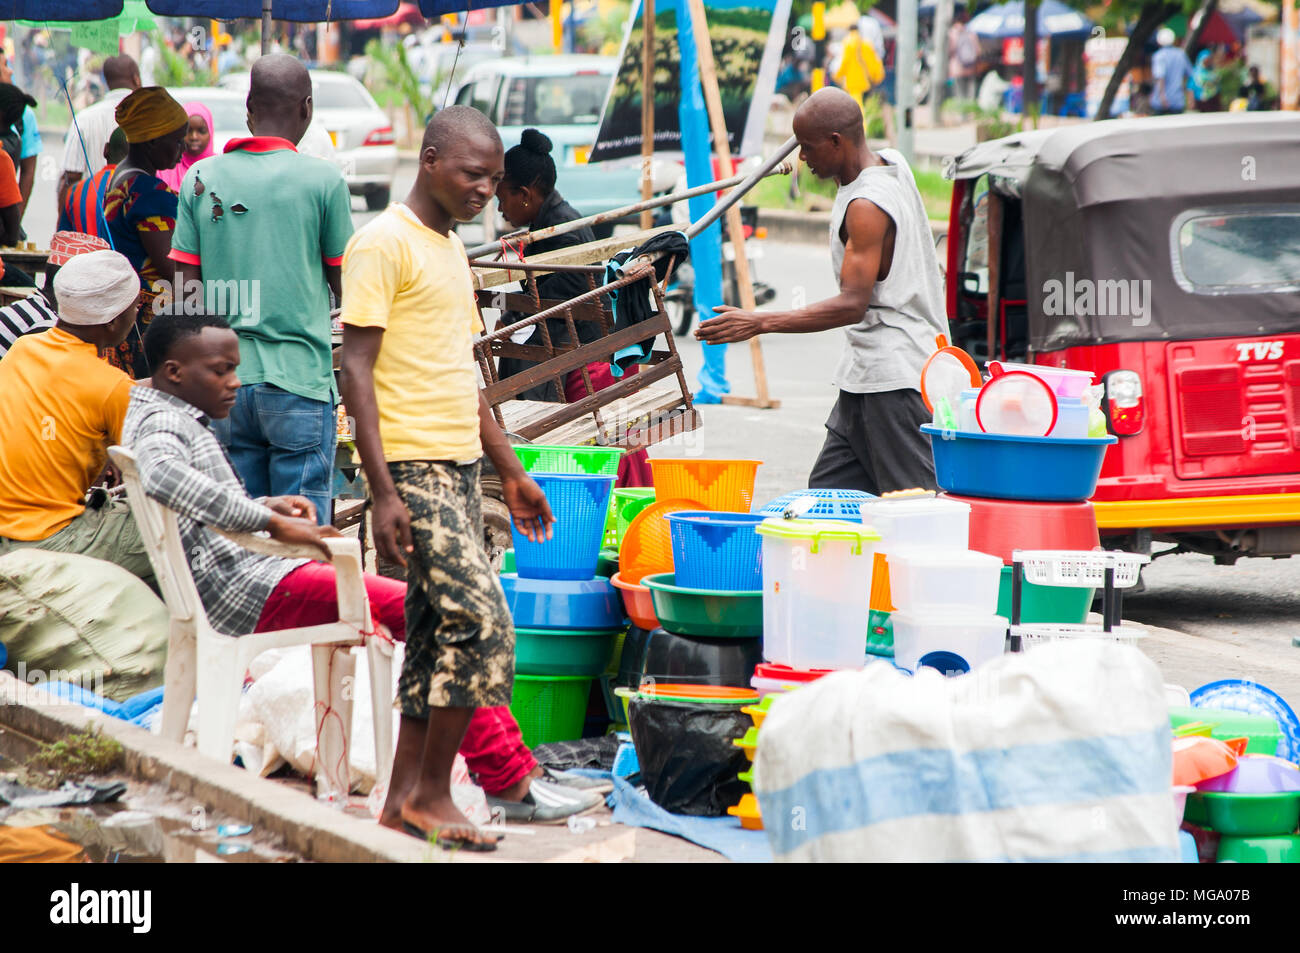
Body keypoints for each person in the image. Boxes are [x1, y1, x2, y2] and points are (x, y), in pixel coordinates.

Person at [124, 312, 600, 822]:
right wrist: (269, 521)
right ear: (174, 372)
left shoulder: (166, 411)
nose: (235, 382)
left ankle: (517, 770)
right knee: (444, 621)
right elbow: (163, 476)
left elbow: (196, 497)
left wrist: (269, 507)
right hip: (251, 590)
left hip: (250, 580)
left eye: (234, 369)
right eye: (220, 370)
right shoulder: (160, 423)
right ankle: (508, 777)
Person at [339, 106, 557, 849]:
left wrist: (511, 470)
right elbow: (355, 368)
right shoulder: (382, 243)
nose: (486, 191)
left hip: (460, 464)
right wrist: (384, 489)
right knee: (483, 622)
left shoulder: (450, 249)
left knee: (435, 632)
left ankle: (403, 797)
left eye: (495, 180)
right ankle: (435, 793)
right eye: (473, 174)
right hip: (411, 465)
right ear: (429, 160)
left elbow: (461, 374)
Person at [697, 87, 947, 495]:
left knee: (915, 503)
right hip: (862, 377)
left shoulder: (867, 205)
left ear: (836, 142)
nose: (801, 159)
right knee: (827, 495)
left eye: (808, 148)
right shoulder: (893, 164)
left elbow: (851, 305)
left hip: (894, 379)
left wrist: (758, 321)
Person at [170, 55, 352, 527]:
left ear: (248, 108)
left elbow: (185, 294)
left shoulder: (200, 178)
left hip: (220, 387)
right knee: (303, 535)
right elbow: (346, 288)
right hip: (300, 383)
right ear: (306, 109)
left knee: (238, 533)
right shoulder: (324, 180)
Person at [494, 128, 652, 487]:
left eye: (502, 198)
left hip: (589, 366)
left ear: (525, 194)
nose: (500, 208)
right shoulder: (547, 225)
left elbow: (551, 319)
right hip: (586, 358)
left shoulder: (561, 234)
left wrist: (511, 383)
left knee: (604, 457)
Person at [0, 250, 153, 587]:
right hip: (49, 541)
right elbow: (160, 472)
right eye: (135, 305)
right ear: (113, 321)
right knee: (186, 527)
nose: (138, 311)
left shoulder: (24, 350)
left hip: (4, 534)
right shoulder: (113, 386)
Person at [103, 87, 188, 378]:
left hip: (123, 306)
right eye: (177, 141)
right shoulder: (151, 193)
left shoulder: (119, 177)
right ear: (153, 142)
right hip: (148, 315)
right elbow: (170, 267)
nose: (183, 149)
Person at [58, 54, 142, 216]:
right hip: (138, 217)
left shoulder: (84, 119)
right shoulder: (149, 117)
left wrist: (62, 228)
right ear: (136, 79)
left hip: (91, 216)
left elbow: (70, 177)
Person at [57, 127, 128, 241]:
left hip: (84, 258)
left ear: (105, 150)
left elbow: (63, 241)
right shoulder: (139, 190)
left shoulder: (76, 191)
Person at [0, 57, 40, 227]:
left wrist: (15, 224)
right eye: (4, 66)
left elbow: (28, 171)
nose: (10, 71)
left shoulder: (25, 116)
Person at [157, 102, 214, 193]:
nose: (194, 137)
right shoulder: (164, 168)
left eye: (201, 131)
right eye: (188, 131)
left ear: (210, 132)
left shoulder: (220, 169)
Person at [833, 27, 885, 111]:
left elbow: (845, 62)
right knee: (865, 107)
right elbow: (873, 61)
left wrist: (838, 75)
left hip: (853, 82)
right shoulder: (866, 43)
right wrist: (876, 76)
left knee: (856, 108)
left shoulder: (848, 43)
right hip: (866, 80)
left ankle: (862, 124)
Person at [1151, 28, 1192, 115]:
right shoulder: (1181, 54)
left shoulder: (1159, 56)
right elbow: (1189, 75)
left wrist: (1162, 97)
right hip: (1178, 100)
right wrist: (1188, 97)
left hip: (1161, 102)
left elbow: (1160, 77)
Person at [949, 11, 979, 102]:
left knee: (959, 96)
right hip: (971, 68)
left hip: (957, 68)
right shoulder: (971, 32)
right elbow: (978, 51)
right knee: (970, 96)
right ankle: (970, 113)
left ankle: (962, 114)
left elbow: (950, 50)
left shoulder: (952, 33)